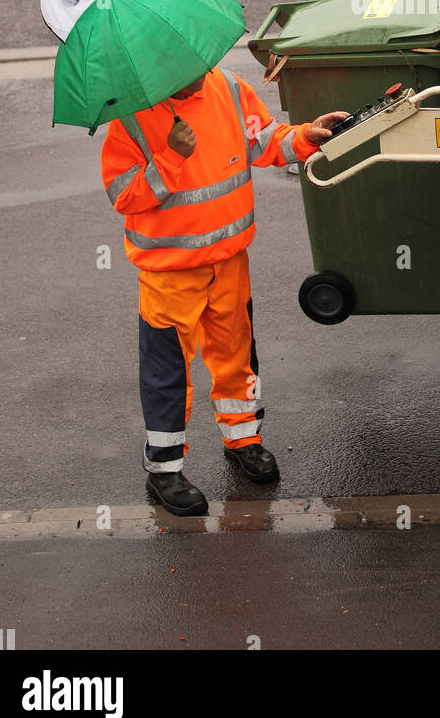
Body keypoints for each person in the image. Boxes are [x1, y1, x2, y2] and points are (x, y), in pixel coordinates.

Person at [100, 65, 347, 516]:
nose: (197, 76)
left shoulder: (228, 87)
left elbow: (265, 140)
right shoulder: (131, 117)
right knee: (169, 374)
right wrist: (170, 158)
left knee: (236, 354)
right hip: (170, 272)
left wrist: (308, 135)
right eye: (185, 71)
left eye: (199, 64)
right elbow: (124, 196)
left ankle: (243, 440)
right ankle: (164, 470)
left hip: (230, 260)